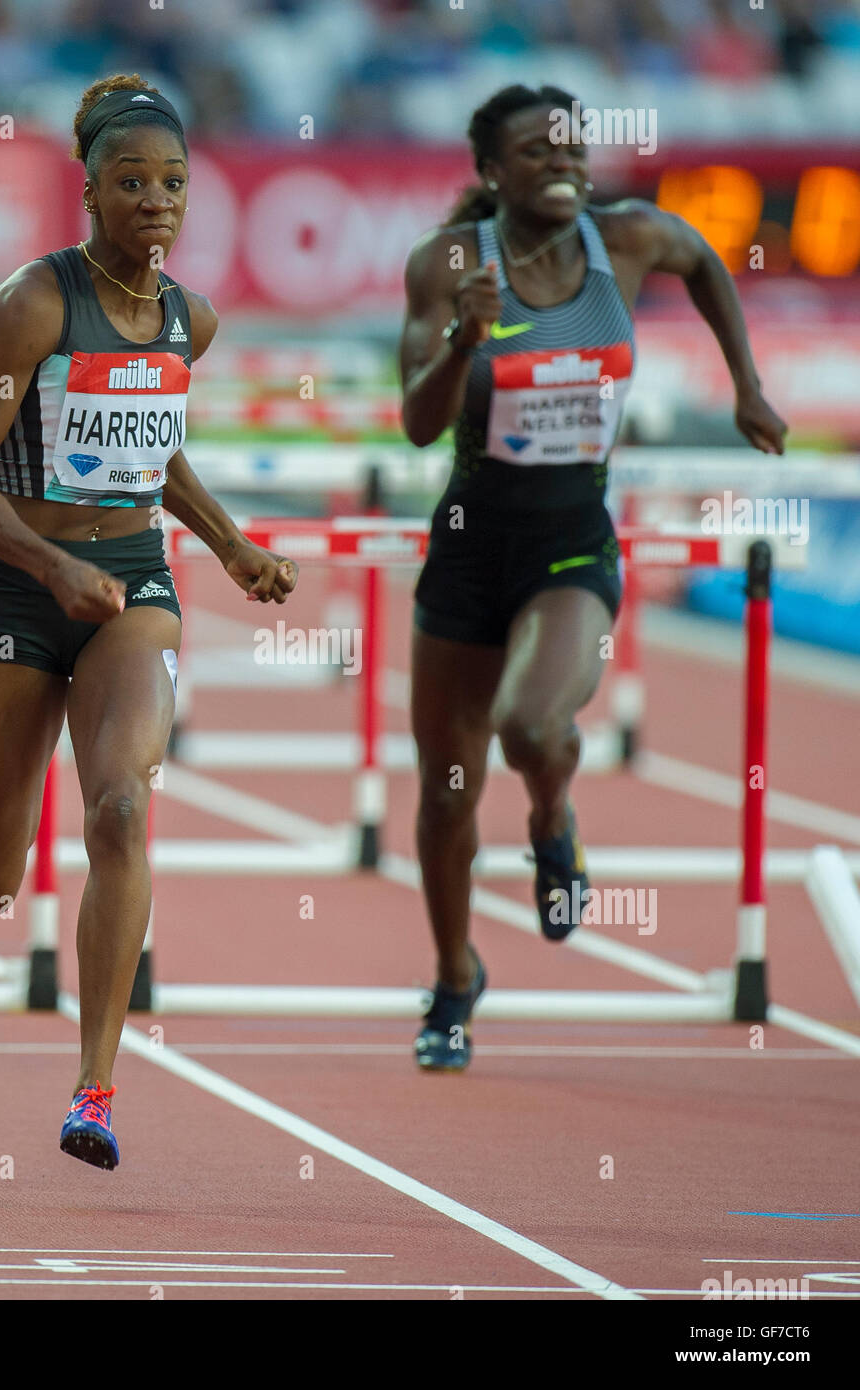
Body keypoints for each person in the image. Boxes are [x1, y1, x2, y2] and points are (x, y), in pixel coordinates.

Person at [0, 73, 298, 1166]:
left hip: (135, 589)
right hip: (18, 597)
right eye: (131, 181)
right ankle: (4, 802)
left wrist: (226, 540)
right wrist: (48, 567)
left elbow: (152, 440)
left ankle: (94, 1088)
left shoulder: (194, 319)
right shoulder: (31, 304)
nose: (156, 200)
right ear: (88, 190)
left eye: (173, 182)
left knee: (120, 811)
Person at [399, 84, 786, 1071]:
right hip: (468, 537)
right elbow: (415, 419)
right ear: (491, 171)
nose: (563, 161)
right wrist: (464, 342)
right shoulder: (450, 264)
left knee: (531, 724)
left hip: (573, 534)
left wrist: (745, 382)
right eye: (536, 150)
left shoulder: (630, 238)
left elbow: (707, 263)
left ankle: (553, 820)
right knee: (447, 791)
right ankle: (454, 979)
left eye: (571, 143)